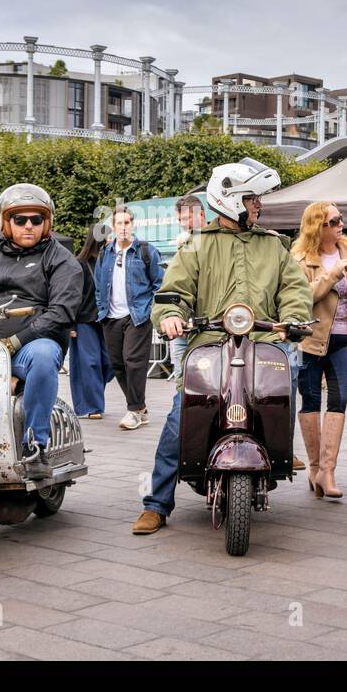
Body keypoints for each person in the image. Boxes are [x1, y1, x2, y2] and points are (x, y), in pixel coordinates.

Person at [133, 158, 312, 535]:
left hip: (264, 343)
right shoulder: (197, 246)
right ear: (231, 200)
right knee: (180, 416)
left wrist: (292, 320)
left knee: (281, 394)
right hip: (210, 344)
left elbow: (294, 289)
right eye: (252, 199)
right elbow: (171, 293)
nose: (258, 205)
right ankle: (156, 503)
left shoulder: (275, 246)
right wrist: (169, 315)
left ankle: (277, 459)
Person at [0, 184, 83, 479]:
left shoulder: (60, 259)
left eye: (36, 219)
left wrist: (15, 341)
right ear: (5, 223)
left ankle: (35, 445)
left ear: (46, 223)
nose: (29, 226)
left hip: (27, 347)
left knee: (45, 355)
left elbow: (61, 312)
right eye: (20, 220)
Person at [292, 200, 347, 499]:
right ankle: (314, 469)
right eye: (335, 221)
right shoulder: (300, 258)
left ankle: (328, 471)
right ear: (318, 227)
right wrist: (331, 275)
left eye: (341, 220)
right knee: (311, 400)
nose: (341, 225)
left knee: (339, 401)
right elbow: (300, 298)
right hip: (310, 339)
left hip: (341, 339)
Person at [94, 205, 165, 430]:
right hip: (110, 316)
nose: (123, 228)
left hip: (137, 315)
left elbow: (159, 283)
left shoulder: (146, 251)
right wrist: (100, 308)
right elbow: (98, 285)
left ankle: (133, 411)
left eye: (127, 223)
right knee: (117, 365)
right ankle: (140, 407)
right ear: (113, 227)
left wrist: (151, 310)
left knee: (133, 362)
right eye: (119, 224)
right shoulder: (105, 253)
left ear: (132, 225)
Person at [70, 220, 114, 419]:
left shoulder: (109, 262)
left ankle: (91, 397)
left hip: (105, 319)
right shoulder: (78, 264)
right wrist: (69, 323)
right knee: (89, 363)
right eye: (109, 236)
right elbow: (70, 296)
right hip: (83, 320)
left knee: (110, 362)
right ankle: (91, 406)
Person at [169, 194, 209, 377]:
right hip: (184, 329)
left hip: (209, 329)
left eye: (186, 218)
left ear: (201, 215)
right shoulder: (183, 246)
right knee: (182, 383)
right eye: (180, 220)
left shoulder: (215, 244)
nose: (183, 224)